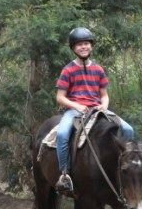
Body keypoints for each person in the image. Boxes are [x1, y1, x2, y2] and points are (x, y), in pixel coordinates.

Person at [53, 26, 135, 195]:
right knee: (61, 134)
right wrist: (76, 106)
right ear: (73, 48)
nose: (83, 47)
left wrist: (104, 106)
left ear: (91, 46)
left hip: (97, 109)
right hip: (75, 111)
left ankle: (124, 166)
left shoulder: (98, 70)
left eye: (86, 43)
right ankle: (65, 174)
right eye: (79, 45)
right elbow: (60, 97)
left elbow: (104, 95)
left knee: (128, 129)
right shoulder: (68, 70)